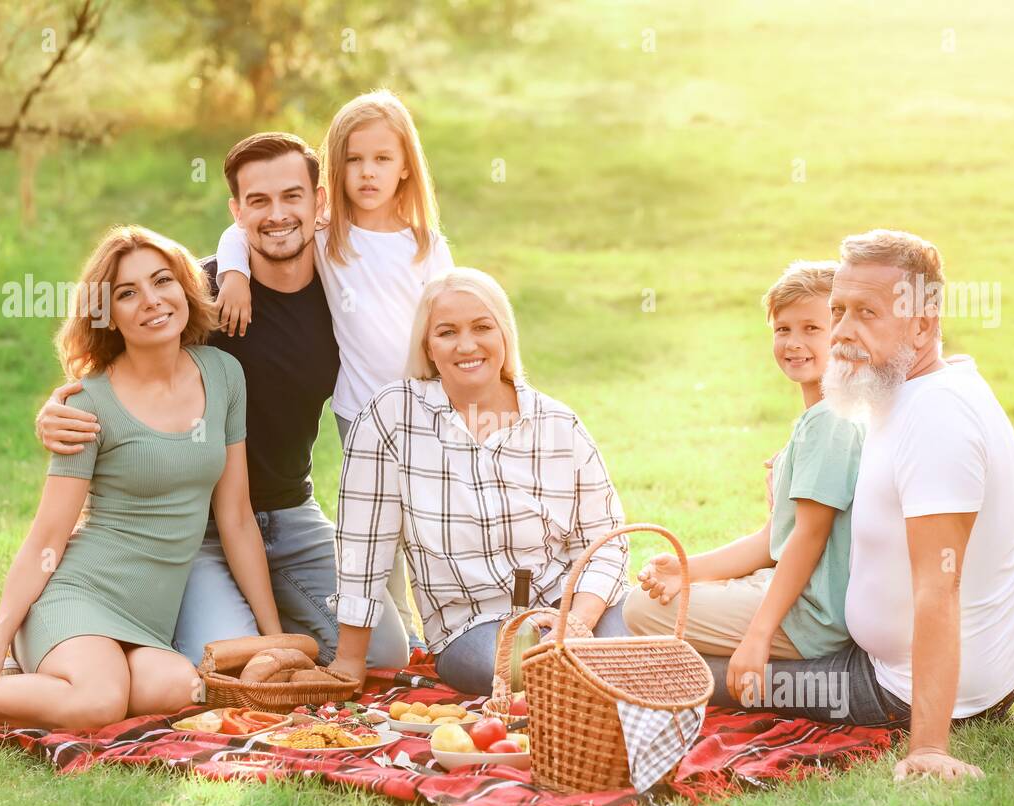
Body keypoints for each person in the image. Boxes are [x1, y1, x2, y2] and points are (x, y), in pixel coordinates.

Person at [34, 133, 411, 671]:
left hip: (289, 512)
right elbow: (114, 355)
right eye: (258, 201)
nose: (276, 214)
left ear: (320, 203)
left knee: (382, 656)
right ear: (237, 212)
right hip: (197, 523)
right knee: (225, 669)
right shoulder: (197, 294)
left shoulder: (347, 293)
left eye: (292, 197)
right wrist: (58, 408)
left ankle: (277, 621)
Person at [706, 229, 1014, 784]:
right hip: (902, 655)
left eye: (865, 313)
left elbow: (939, 588)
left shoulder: (939, 420)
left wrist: (930, 748)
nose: (841, 332)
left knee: (692, 675)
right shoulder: (906, 387)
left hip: (900, 685)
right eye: (838, 310)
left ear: (922, 323)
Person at [0, 226, 282, 728]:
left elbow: (236, 518)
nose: (151, 301)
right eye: (127, 293)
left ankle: (63, 680)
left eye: (162, 281)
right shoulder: (88, 403)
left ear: (185, 288)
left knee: (182, 689)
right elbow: (46, 538)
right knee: (97, 704)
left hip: (147, 619)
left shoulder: (224, 374)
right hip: (79, 596)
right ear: (107, 315)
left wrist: (274, 640)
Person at [215, 90, 453, 640]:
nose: (367, 173)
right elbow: (240, 229)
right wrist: (233, 274)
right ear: (336, 172)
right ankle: (408, 640)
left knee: (431, 523)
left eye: (382, 160)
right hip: (361, 411)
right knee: (374, 530)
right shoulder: (327, 236)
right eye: (353, 159)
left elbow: (452, 312)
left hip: (426, 405)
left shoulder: (425, 245)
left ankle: (439, 628)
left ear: (405, 169)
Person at [328, 267, 631, 694]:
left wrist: (575, 622)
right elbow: (363, 543)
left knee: (632, 661)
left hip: (572, 604)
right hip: (472, 626)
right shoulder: (392, 416)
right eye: (447, 332)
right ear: (428, 347)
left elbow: (607, 541)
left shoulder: (558, 423)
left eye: (482, 327)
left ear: (504, 335)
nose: (466, 345)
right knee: (534, 676)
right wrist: (350, 658)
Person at [624, 261, 864, 703]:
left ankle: (752, 679)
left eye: (812, 328)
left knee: (639, 610)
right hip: (792, 598)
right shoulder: (819, 417)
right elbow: (773, 538)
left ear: (842, 333)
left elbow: (809, 538)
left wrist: (757, 636)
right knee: (651, 597)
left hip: (810, 618)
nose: (793, 343)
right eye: (782, 329)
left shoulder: (832, 421)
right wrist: (686, 569)